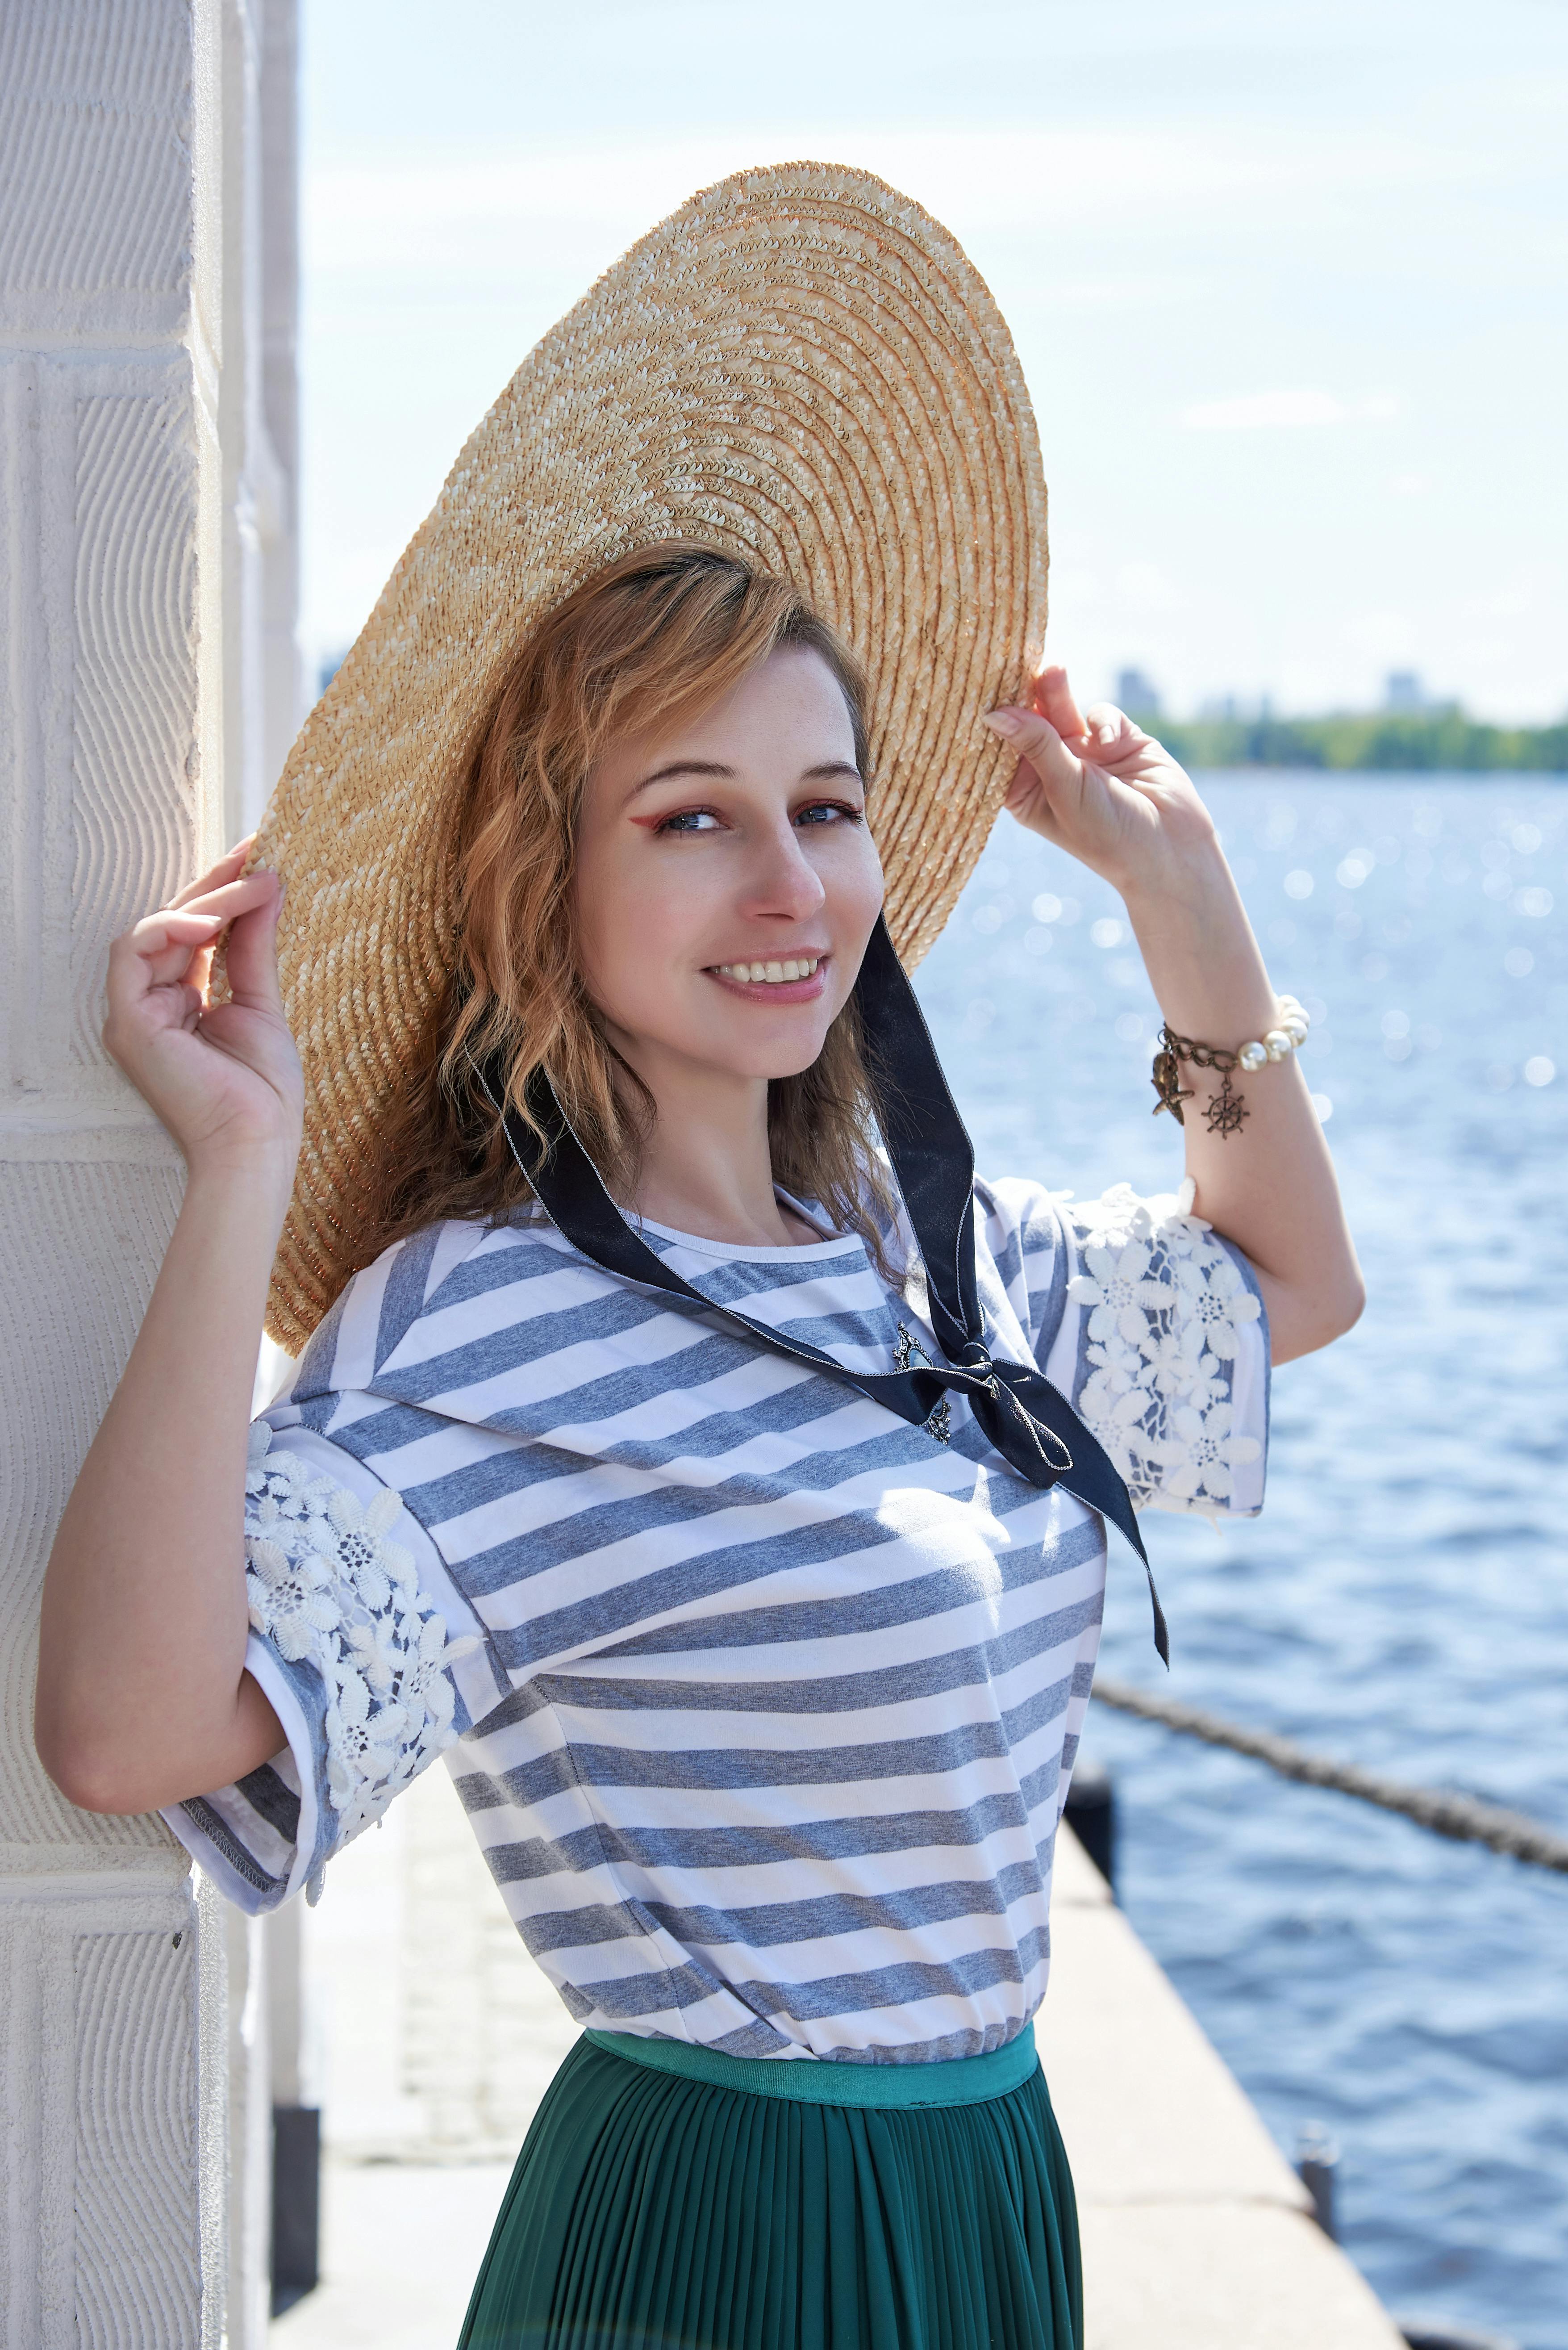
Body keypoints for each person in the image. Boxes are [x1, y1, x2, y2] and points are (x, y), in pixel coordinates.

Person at [35, 169, 1361, 2350]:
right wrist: (235, 1178)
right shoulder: (489, 1319)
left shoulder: (910, 1246)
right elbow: (125, 1730)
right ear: (539, 876)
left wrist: (1178, 892)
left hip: (988, 2189)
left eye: (827, 803)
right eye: (691, 813)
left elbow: (1280, 1293)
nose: (790, 883)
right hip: (721, 2235)